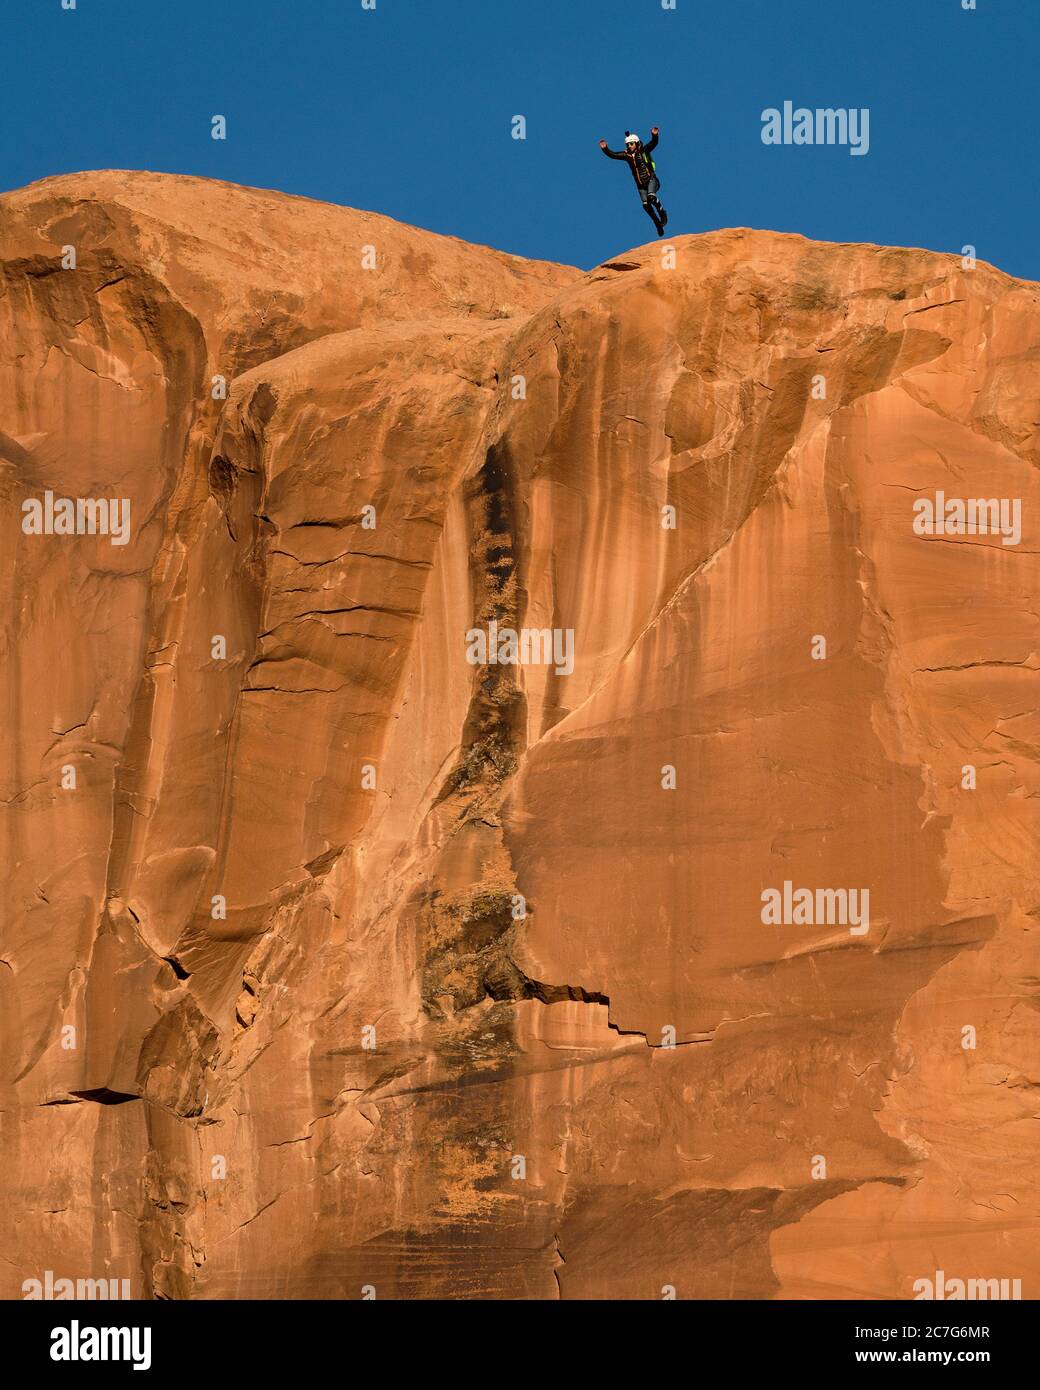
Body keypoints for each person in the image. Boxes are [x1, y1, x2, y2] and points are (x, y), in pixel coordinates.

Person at [599, 128, 669, 236]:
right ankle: (657, 224)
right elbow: (614, 155)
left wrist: (654, 135)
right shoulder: (626, 155)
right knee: (646, 205)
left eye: (631, 144)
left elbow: (654, 143)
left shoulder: (643, 150)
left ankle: (662, 214)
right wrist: (605, 148)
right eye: (627, 144)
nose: (629, 146)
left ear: (636, 143)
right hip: (640, 186)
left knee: (651, 197)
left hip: (651, 180)